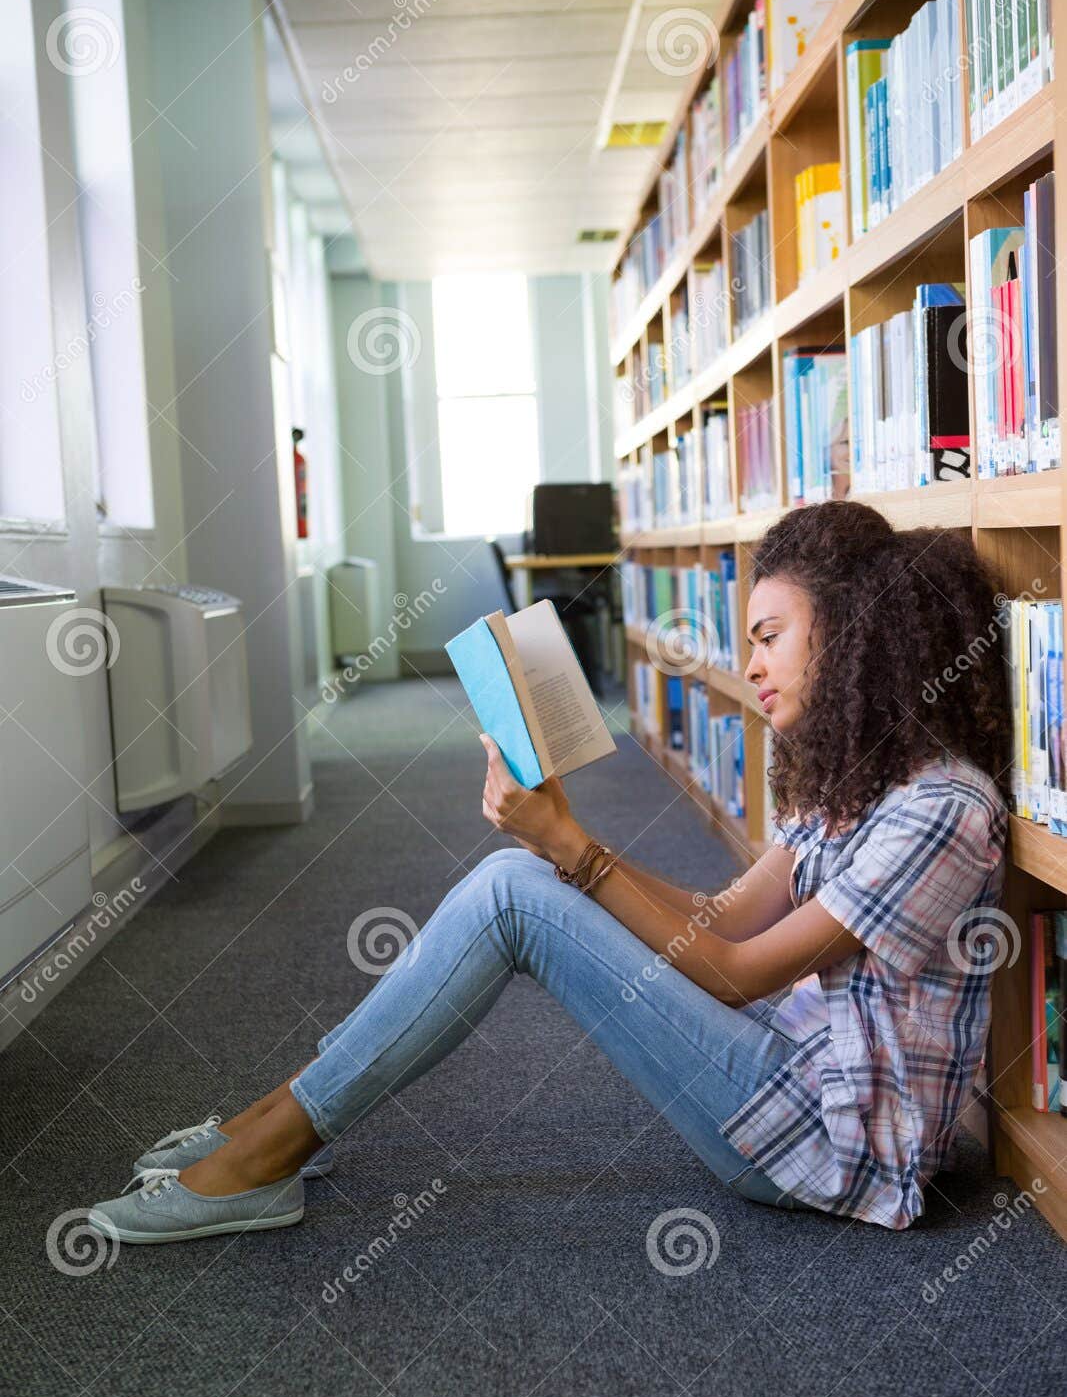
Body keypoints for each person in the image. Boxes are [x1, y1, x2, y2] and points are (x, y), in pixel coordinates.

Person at [86, 501, 1011, 1244]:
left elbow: (739, 974)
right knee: (519, 880)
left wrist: (573, 852)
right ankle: (273, 1122)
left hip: (827, 1145)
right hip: (787, 1069)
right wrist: (563, 846)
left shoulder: (941, 810)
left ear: (849, 636)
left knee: (509, 893)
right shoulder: (856, 784)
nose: (750, 664)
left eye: (768, 636)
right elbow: (725, 917)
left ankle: (269, 1153)